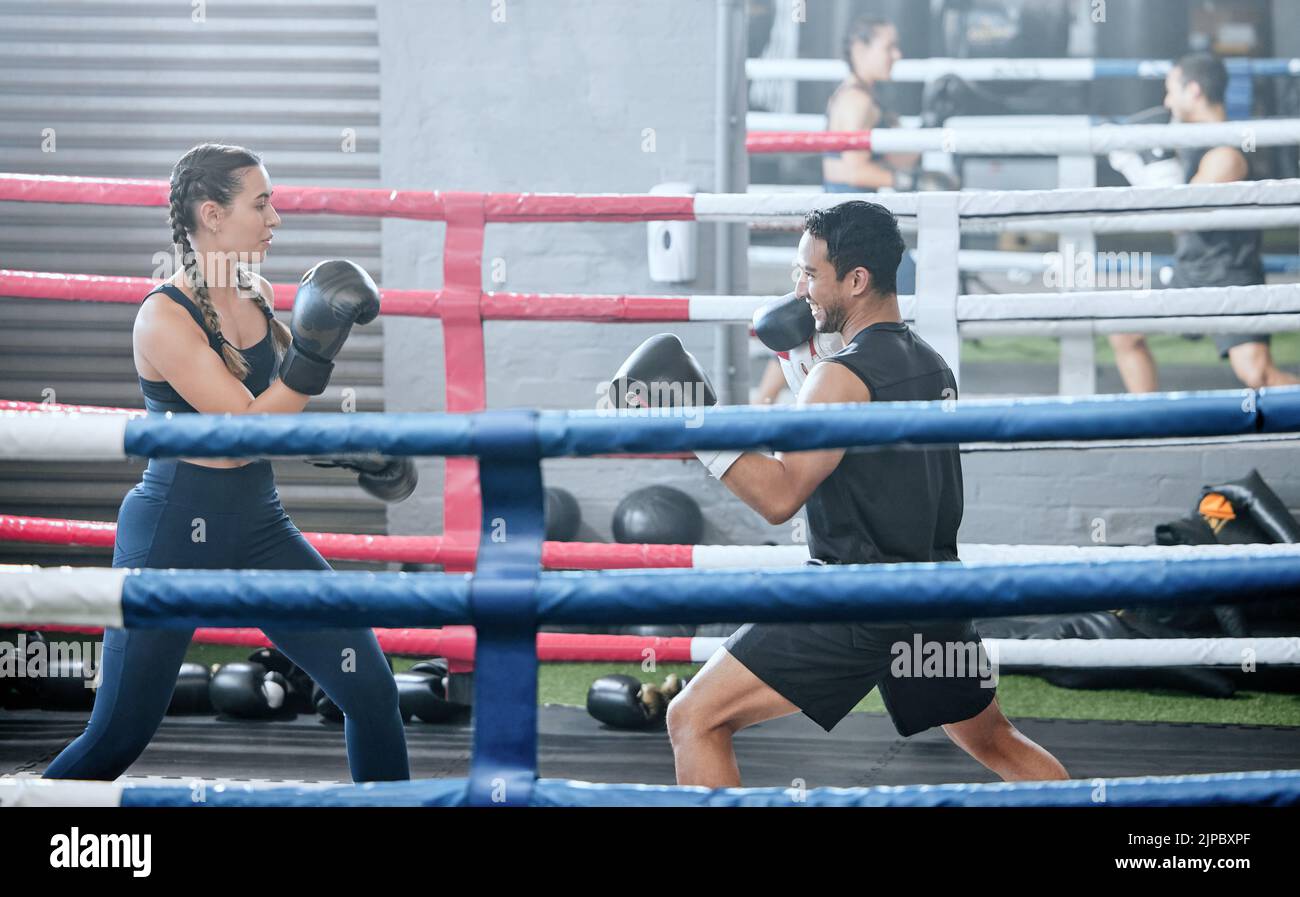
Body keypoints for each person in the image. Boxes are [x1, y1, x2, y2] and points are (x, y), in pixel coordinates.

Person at [611, 201, 1067, 787]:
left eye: (810, 274)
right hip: (934, 600)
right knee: (996, 741)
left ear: (856, 280)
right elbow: (856, 447)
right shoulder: (930, 367)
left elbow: (780, 496)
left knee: (693, 717)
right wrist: (805, 364)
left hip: (854, 603)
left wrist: (697, 424)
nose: (797, 287)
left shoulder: (839, 378)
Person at [42, 144, 410, 783]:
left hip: (260, 529)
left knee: (372, 691)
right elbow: (239, 433)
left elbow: (276, 413)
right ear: (212, 214)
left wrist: (347, 449)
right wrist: (316, 356)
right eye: (261, 203)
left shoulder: (258, 293)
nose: (276, 219)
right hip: (169, 536)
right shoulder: (163, 316)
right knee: (116, 737)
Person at [1108, 53, 1298, 392]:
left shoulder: (1225, 153)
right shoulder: (1192, 144)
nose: (1166, 101)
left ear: (1193, 90)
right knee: (1124, 331)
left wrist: (1142, 174)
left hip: (1229, 278)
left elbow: (1181, 220)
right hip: (1190, 273)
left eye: (1171, 91)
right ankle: (1149, 421)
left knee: (1259, 377)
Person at [822, 16, 923, 193]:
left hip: (856, 210)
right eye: (889, 47)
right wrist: (909, 182)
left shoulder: (866, 95)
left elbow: (891, 158)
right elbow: (855, 172)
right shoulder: (856, 102)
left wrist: (933, 123)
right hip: (850, 214)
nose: (897, 55)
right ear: (860, 50)